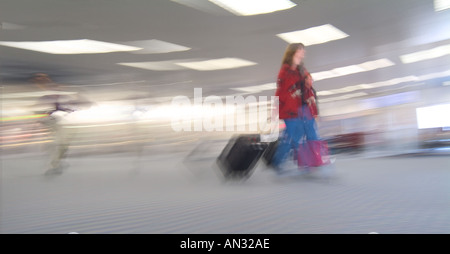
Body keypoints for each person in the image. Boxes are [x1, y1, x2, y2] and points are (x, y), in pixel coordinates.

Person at [30, 73, 77, 175]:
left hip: (59, 122)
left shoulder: (54, 95)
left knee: (61, 144)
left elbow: (69, 107)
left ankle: (56, 163)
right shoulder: (45, 97)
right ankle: (55, 164)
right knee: (58, 144)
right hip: (54, 122)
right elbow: (37, 110)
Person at [271, 43, 308, 173]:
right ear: (293, 52)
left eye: (303, 50)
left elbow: (305, 83)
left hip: (297, 109)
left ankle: (300, 163)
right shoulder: (285, 71)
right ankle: (277, 162)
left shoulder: (300, 70)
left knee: (297, 136)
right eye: (300, 50)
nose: (303, 53)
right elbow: (280, 92)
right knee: (290, 137)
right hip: (288, 110)